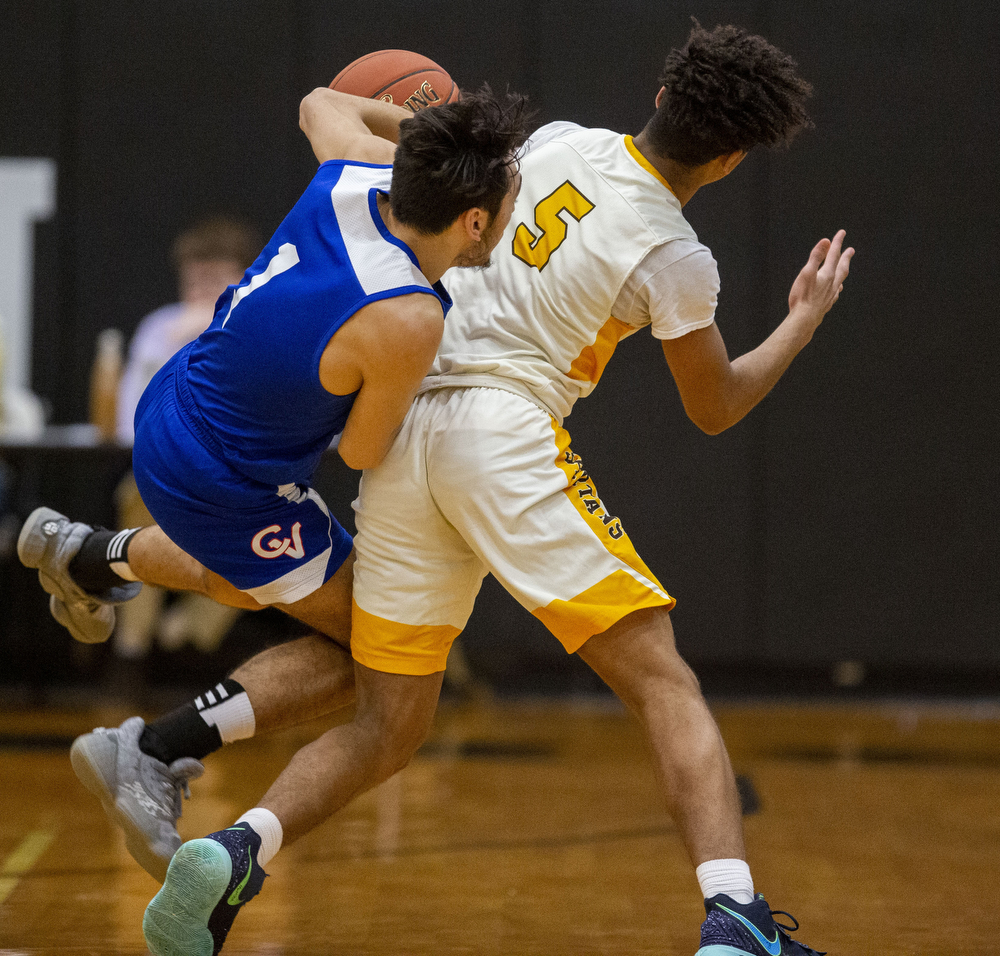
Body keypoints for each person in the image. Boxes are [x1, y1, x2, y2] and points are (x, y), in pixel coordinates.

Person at [16, 82, 527, 938]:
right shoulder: (406, 317)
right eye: (505, 199)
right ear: (472, 223)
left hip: (172, 410)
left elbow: (321, 98)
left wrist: (434, 136)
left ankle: (90, 553)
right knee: (371, 644)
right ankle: (152, 748)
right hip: (228, 484)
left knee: (252, 587)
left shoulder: (351, 171)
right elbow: (361, 452)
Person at [113, 215, 261, 658]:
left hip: (242, 477)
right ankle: (133, 647)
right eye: (192, 279)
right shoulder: (160, 328)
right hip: (162, 471)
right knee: (134, 498)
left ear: (244, 277)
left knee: (272, 520)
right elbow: (126, 422)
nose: (199, 290)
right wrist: (175, 347)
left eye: (214, 278)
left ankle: (191, 637)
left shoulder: (263, 325)